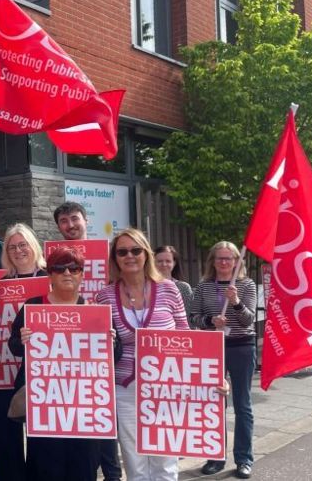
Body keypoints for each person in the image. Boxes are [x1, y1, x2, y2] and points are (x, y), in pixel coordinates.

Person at [9, 246, 114, 480]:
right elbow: (13, 346)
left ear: (81, 274)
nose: (67, 273)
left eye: (74, 268)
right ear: (50, 275)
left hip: (85, 406)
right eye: (59, 268)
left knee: (84, 466)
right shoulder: (33, 306)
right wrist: (22, 340)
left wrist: (111, 342)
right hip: (45, 405)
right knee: (46, 467)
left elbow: (112, 359)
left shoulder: (95, 312)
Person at [95, 228, 190, 481]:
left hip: (166, 387)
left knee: (165, 462)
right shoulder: (104, 297)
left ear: (146, 254)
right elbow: (99, 349)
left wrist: (211, 379)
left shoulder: (169, 289)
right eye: (122, 251)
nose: (130, 256)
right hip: (126, 388)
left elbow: (187, 339)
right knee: (134, 463)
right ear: (114, 258)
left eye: (136, 250)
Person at [58, 202, 123, 481]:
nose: (70, 225)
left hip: (102, 345)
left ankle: (112, 474)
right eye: (64, 221)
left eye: (75, 218)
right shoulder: (53, 257)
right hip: (66, 352)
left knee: (105, 419)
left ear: (86, 220)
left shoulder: (110, 256)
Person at [190, 242, 257, 479]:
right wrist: (210, 321)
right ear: (213, 261)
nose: (224, 263)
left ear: (237, 261)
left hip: (241, 347)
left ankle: (244, 459)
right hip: (213, 347)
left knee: (242, 404)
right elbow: (193, 317)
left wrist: (236, 302)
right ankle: (215, 456)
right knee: (214, 404)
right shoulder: (204, 286)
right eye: (219, 258)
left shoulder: (246, 285)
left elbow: (249, 320)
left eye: (229, 258)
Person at [0, 223, 47, 481]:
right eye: (12, 247)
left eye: (23, 244)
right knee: (4, 442)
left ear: (33, 246)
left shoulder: (50, 280)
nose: (18, 250)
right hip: (2, 372)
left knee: (41, 442)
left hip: (41, 374)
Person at [154, 245, 195, 328]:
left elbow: (189, 319)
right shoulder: (144, 287)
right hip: (153, 337)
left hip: (178, 337)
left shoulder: (183, 288)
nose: (164, 264)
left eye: (168, 261)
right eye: (159, 261)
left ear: (174, 263)